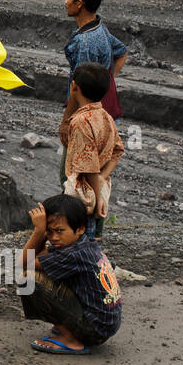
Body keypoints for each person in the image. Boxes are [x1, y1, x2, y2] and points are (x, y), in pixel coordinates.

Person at [16, 194, 122, 354]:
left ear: (80, 228)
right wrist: (44, 232)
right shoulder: (83, 244)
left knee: (29, 279)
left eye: (59, 230)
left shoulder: (73, 255)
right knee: (47, 270)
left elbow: (23, 263)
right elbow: (39, 256)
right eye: (49, 232)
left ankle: (71, 340)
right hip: (103, 325)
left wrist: (38, 232)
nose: (53, 238)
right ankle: (69, 328)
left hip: (94, 331)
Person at [58, 0, 128, 180]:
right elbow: (122, 51)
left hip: (87, 123)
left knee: (70, 178)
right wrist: (106, 81)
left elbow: (79, 87)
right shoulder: (99, 28)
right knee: (92, 176)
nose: (65, 2)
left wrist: (65, 122)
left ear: (79, 3)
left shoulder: (85, 42)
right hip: (104, 115)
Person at [63, 62, 125, 238]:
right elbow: (118, 151)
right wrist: (103, 177)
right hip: (100, 190)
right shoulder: (106, 117)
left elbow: (88, 167)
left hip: (82, 197)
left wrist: (97, 200)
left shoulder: (81, 121)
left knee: (79, 241)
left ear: (74, 86)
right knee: (91, 241)